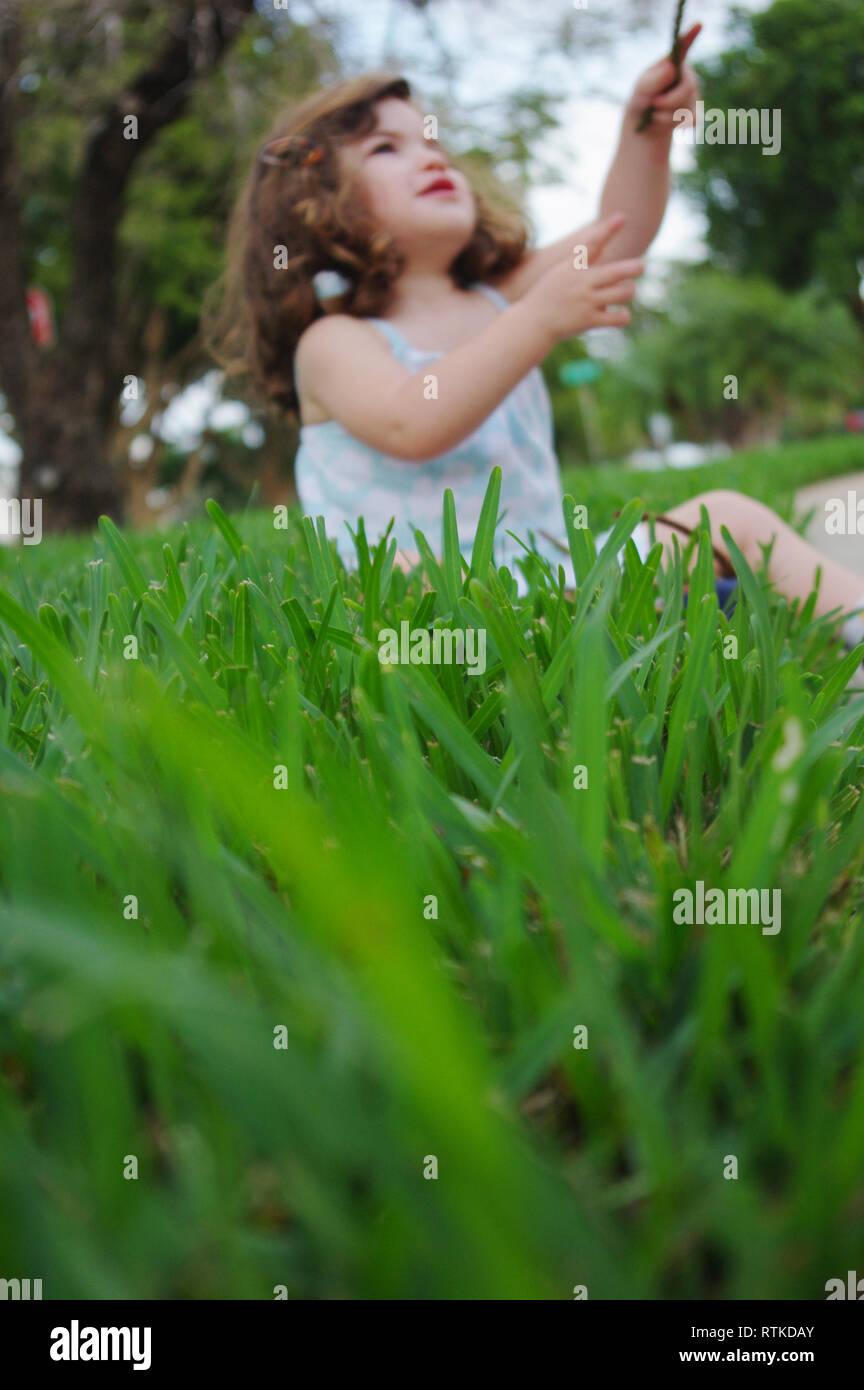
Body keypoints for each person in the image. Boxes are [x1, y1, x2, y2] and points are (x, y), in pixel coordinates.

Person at [204, 38, 864, 654]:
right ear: (312, 205)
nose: (431, 157)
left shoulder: (501, 295)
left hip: (559, 581)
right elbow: (414, 422)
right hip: (443, 616)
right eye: (385, 149)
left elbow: (619, 236)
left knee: (727, 516)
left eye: (431, 142)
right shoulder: (334, 343)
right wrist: (537, 322)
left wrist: (649, 133)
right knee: (423, 579)